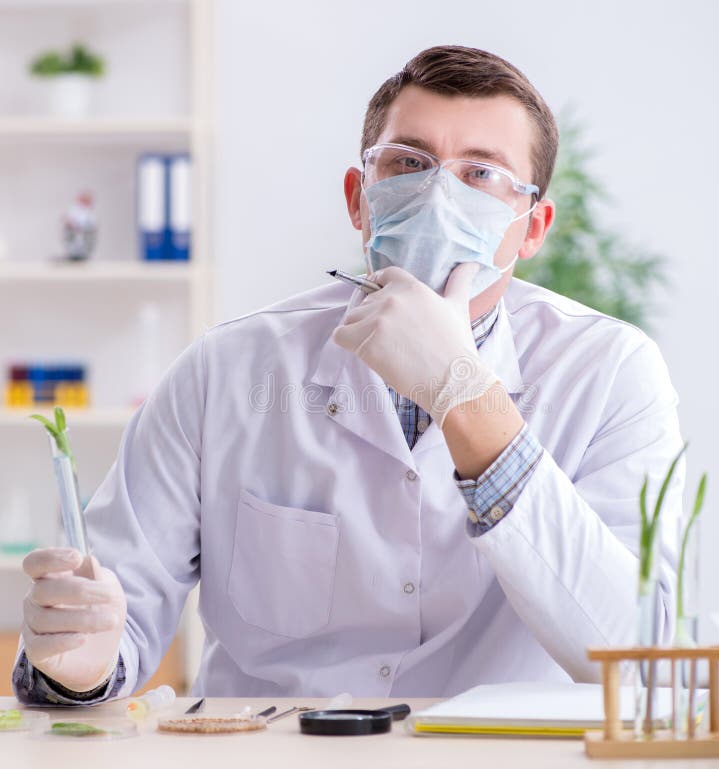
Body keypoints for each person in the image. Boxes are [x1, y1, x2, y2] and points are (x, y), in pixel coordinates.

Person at [13, 45, 684, 704]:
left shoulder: (611, 373)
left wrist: (466, 395)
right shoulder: (225, 371)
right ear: (359, 199)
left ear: (532, 227)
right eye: (408, 163)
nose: (437, 195)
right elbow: (109, 616)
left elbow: (640, 659)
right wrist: (78, 661)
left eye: (480, 173)